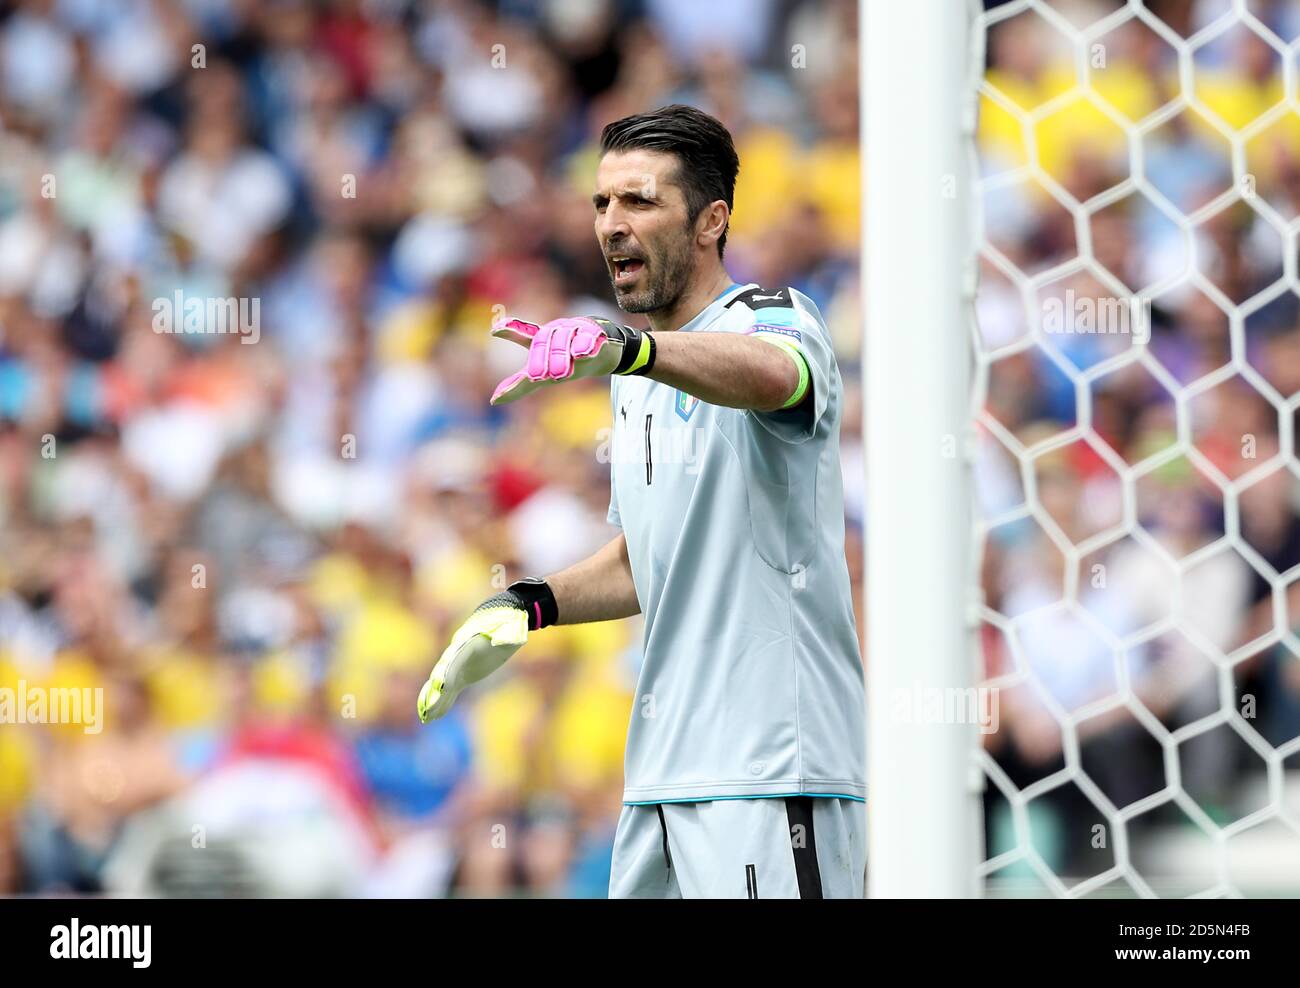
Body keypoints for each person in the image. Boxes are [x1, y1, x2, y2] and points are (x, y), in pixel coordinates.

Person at [417, 104, 865, 898]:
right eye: (601, 203)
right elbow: (642, 558)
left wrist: (636, 349)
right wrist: (528, 604)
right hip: (660, 775)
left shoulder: (776, 317)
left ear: (710, 220)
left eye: (641, 201)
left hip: (768, 771)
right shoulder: (633, 378)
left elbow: (774, 375)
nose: (612, 225)